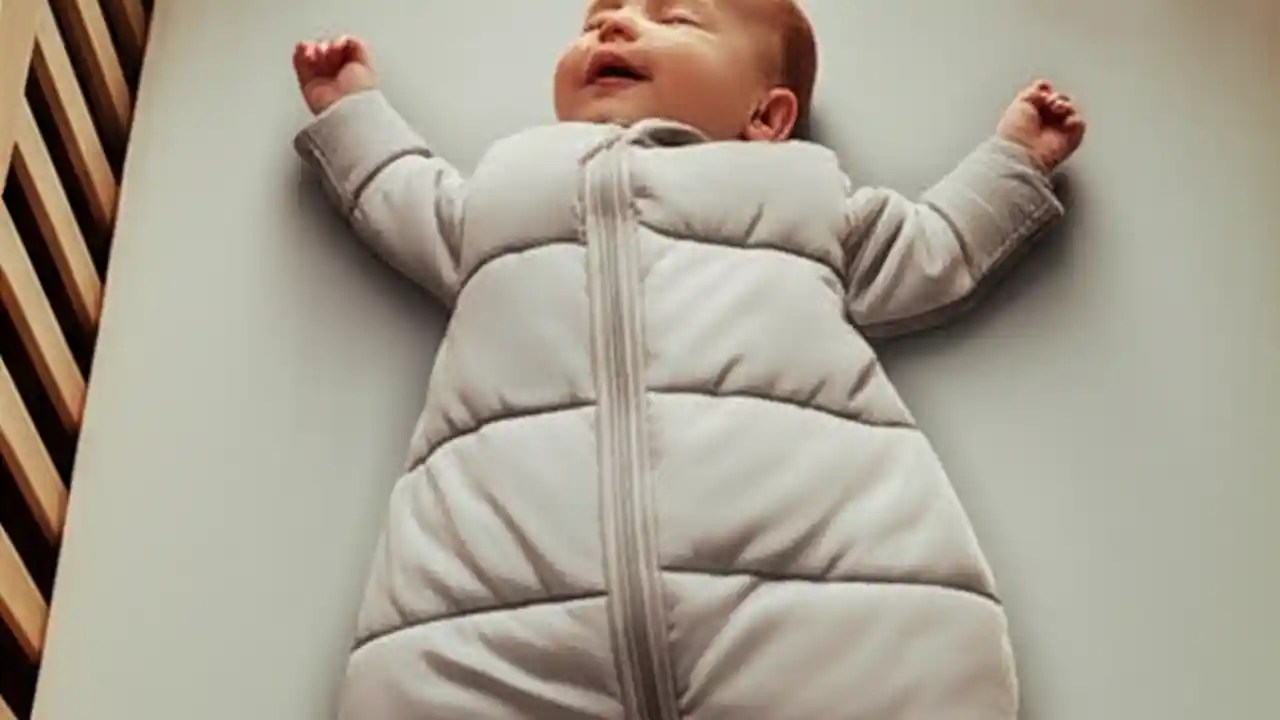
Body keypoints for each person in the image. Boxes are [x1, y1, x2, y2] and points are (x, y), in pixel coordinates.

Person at [291, 1, 1086, 717]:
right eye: (596, 19)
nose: (614, 26)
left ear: (767, 116)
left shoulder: (798, 194)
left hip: (807, 593)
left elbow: (932, 246)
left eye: (674, 19)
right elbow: (406, 200)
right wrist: (353, 109)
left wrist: (1014, 159)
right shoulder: (507, 190)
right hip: (504, 619)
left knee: (889, 666)